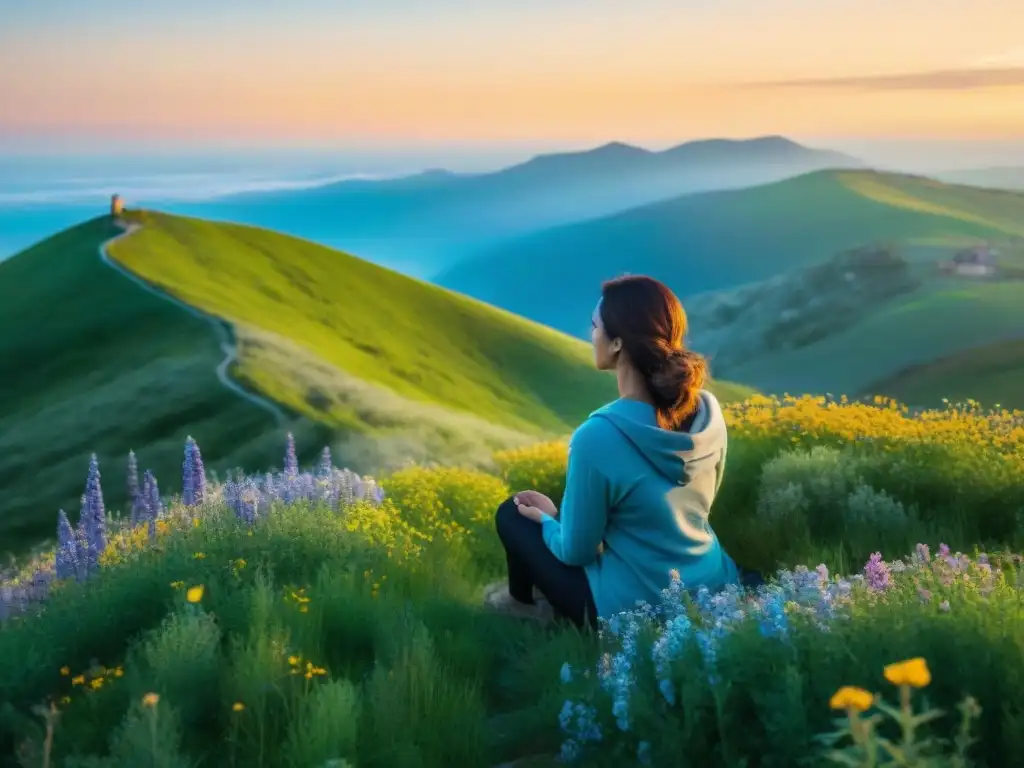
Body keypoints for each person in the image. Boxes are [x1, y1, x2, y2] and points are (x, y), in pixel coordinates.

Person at [485, 274, 740, 629]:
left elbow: (577, 553)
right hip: (713, 582)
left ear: (617, 342)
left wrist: (546, 521)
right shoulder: (707, 413)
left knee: (513, 515)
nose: (591, 336)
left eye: (595, 327)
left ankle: (524, 606)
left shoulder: (598, 436)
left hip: (633, 609)